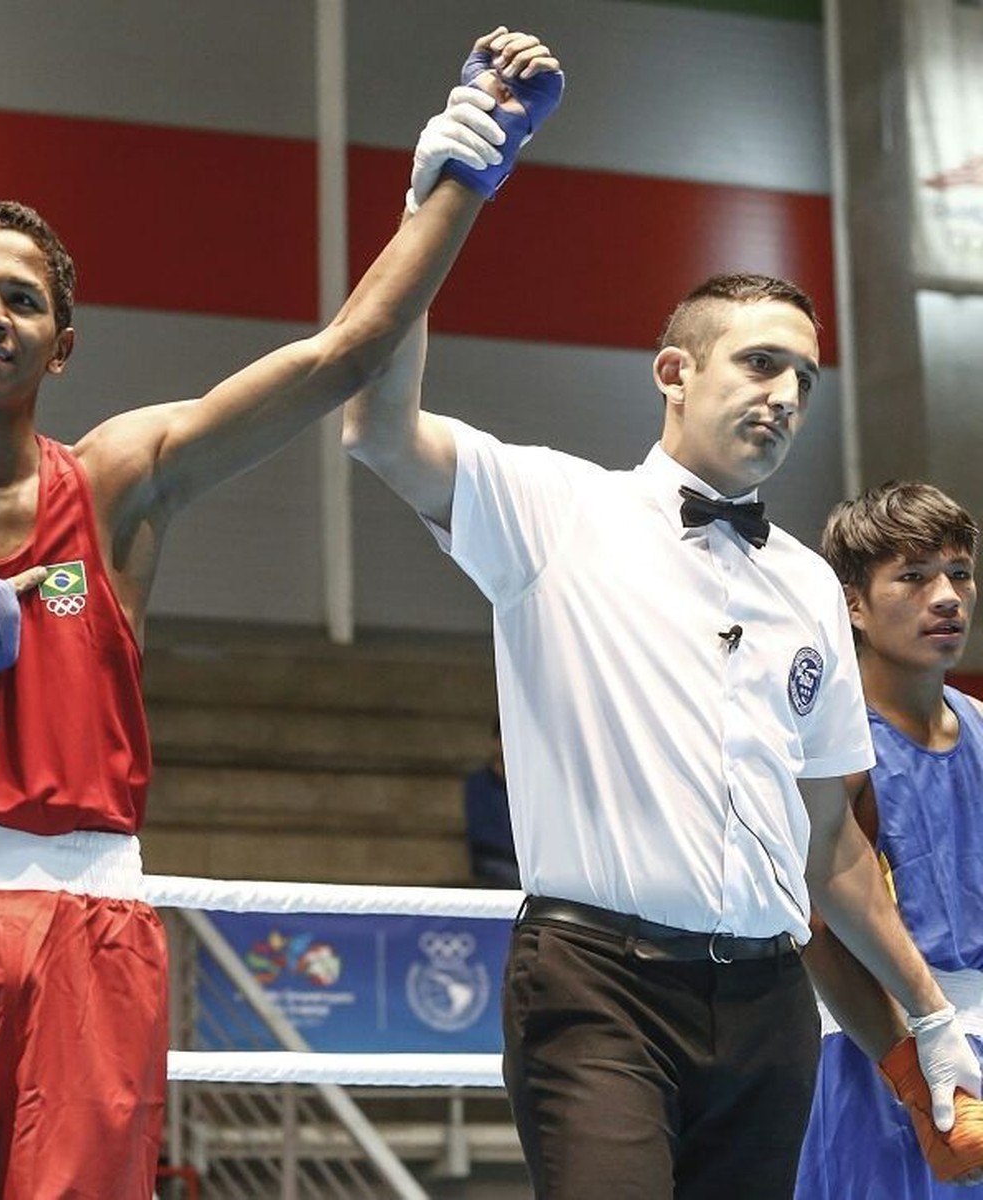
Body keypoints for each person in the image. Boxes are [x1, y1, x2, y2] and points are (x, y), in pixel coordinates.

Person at [0, 27, 564, 1198]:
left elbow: (344, 356)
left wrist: (455, 171)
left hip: (89, 926)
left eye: (22, 298)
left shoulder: (115, 481)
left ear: (63, 342)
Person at [342, 271, 983, 1198]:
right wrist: (432, 211)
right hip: (601, 987)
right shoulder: (558, 512)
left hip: (770, 1004)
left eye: (805, 376)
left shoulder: (807, 585)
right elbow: (380, 432)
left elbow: (829, 843)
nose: (787, 396)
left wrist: (927, 1020)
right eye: (762, 363)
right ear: (673, 372)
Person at [796, 481, 983, 1196]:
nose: (946, 597)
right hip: (877, 1062)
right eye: (913, 575)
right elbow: (815, 929)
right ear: (853, 604)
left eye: (960, 573)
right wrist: (911, 1071)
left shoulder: (982, 729)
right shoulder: (833, 750)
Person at [463, 717, 519, 887]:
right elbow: (480, 832)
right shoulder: (478, 783)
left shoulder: (527, 786)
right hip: (494, 860)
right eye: (503, 737)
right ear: (495, 742)